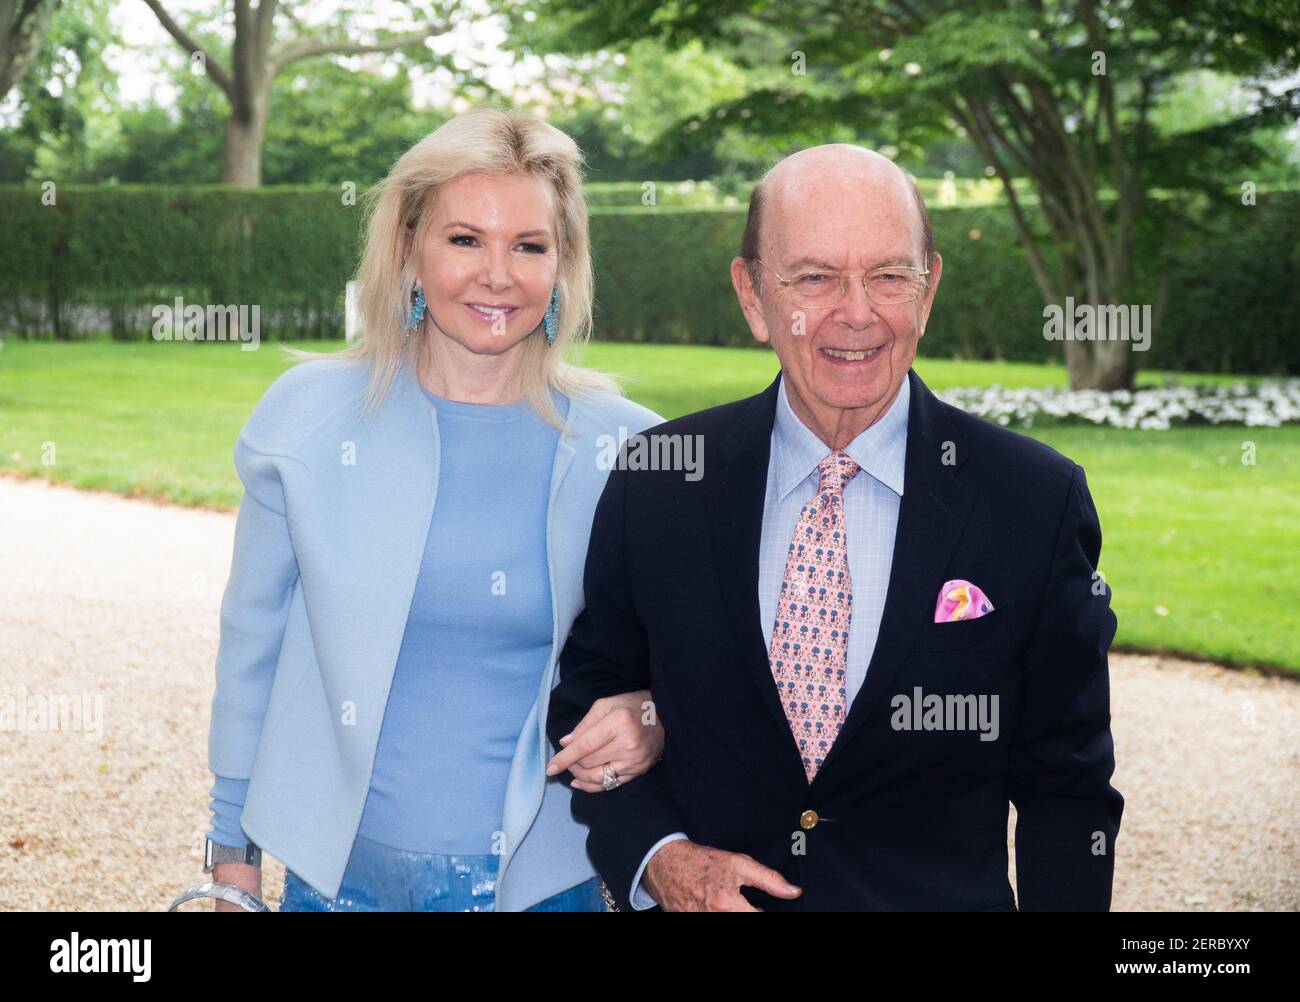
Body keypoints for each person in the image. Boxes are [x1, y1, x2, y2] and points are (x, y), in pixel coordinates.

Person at [546, 143, 1124, 911]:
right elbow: (592, 702)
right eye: (814, 278)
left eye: (889, 275)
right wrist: (660, 858)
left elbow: (1068, 791)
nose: (858, 312)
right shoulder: (660, 480)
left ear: (929, 289)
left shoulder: (1033, 501)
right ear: (752, 295)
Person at [204, 107, 665, 912]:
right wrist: (230, 852)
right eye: (465, 240)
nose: (498, 275)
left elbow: (695, 670)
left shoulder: (630, 450)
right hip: (336, 886)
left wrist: (652, 717)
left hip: (542, 889)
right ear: (409, 250)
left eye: (529, 246)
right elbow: (254, 646)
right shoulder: (306, 418)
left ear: (562, 266)